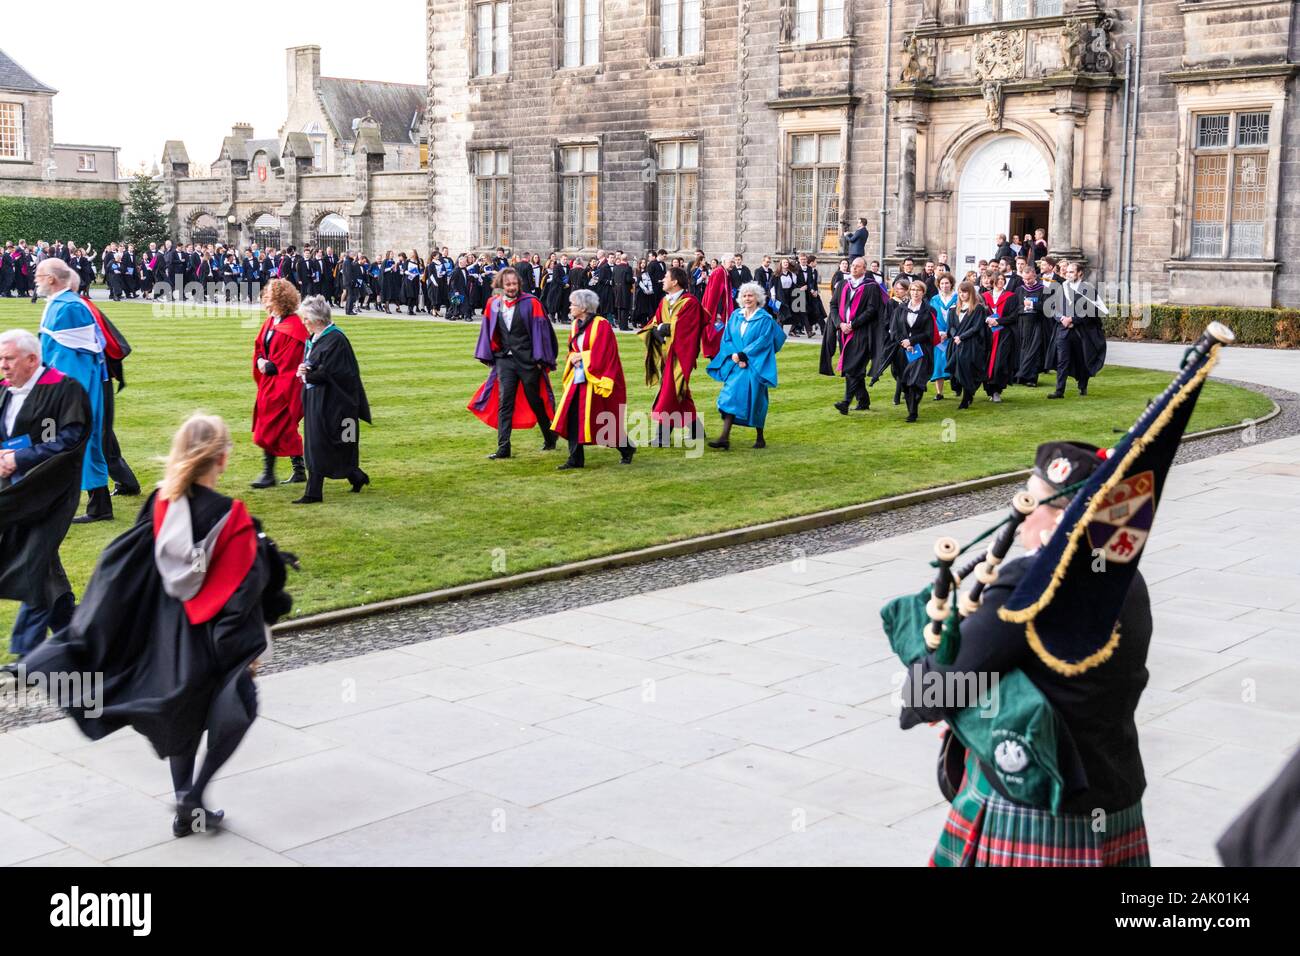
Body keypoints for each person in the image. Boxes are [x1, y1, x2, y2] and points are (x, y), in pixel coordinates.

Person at [17, 414, 295, 839]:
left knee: (183, 714)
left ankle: (188, 803)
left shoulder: (160, 502)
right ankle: (194, 796)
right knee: (242, 704)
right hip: (212, 635)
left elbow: (138, 568)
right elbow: (243, 592)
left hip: (167, 634)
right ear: (221, 458)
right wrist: (244, 651)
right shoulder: (231, 517)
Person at [900, 441, 1153, 867]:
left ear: (1059, 519)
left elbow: (932, 692)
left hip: (1035, 812)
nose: (1016, 520)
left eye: (1028, 502)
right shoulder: (1126, 578)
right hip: (1113, 799)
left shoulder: (1029, 585)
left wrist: (925, 638)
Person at [0, 329, 92, 658]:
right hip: (13, 493)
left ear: (32, 359)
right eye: (1, 360)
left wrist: (19, 458)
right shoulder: (5, 392)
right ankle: (73, 633)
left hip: (49, 492)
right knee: (42, 563)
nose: (3, 367)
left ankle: (28, 653)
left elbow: (66, 441)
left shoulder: (62, 390)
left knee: (33, 561)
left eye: (9, 359)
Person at [35, 259, 113, 524]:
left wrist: (60, 393)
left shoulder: (67, 307)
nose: (35, 278)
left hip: (76, 387)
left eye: (40, 274)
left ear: (53, 279)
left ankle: (96, 505)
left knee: (79, 442)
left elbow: (72, 357)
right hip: (71, 384)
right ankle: (97, 503)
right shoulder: (62, 304)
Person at [469, 267, 559, 459]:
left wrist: (540, 359)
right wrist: (490, 353)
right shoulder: (493, 304)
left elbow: (541, 333)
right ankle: (504, 448)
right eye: (508, 284)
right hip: (505, 360)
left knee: (535, 401)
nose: (511, 288)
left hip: (528, 361)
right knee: (505, 402)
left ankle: (549, 436)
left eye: (514, 284)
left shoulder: (531, 303)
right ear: (501, 285)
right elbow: (488, 329)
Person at [293, 296, 371, 503]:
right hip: (318, 399)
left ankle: (314, 492)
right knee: (319, 443)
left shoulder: (336, 339)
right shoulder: (318, 338)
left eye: (306, 319)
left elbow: (334, 373)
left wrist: (308, 374)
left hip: (337, 403)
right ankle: (357, 477)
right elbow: (316, 363)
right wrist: (305, 368)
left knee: (329, 443)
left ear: (316, 319)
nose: (303, 323)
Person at [549, 289, 634, 470]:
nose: (570, 307)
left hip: (596, 378)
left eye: (573, 304)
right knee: (572, 416)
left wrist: (581, 357)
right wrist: (573, 357)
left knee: (602, 419)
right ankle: (575, 459)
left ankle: (626, 448)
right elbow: (573, 349)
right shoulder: (575, 325)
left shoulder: (601, 325)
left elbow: (604, 353)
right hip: (578, 377)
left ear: (584, 307)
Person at [705, 281, 786, 450]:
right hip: (736, 365)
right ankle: (724, 438)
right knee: (728, 398)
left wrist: (745, 355)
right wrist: (735, 355)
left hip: (755, 366)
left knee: (756, 400)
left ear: (758, 298)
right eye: (744, 295)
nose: (747, 298)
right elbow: (727, 338)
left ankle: (760, 437)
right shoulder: (735, 316)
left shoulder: (764, 318)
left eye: (750, 295)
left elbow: (764, 341)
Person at [250, 279, 309, 488]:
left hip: (283, 385)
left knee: (274, 427)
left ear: (280, 300)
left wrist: (271, 366)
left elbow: (291, 360)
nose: (266, 302)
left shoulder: (295, 326)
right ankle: (298, 470)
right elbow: (259, 346)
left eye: (270, 299)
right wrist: (260, 361)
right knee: (278, 427)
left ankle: (269, 473)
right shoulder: (271, 322)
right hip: (269, 383)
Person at [640, 266, 705, 447]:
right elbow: (656, 322)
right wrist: (656, 329)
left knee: (669, 393)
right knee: (681, 394)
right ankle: (697, 432)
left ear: (675, 282)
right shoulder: (664, 302)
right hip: (666, 354)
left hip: (681, 355)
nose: (662, 280)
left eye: (666, 277)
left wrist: (664, 328)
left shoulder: (689, 302)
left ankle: (662, 437)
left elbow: (686, 329)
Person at [821, 257, 885, 415]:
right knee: (854, 368)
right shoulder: (843, 284)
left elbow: (872, 310)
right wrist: (839, 324)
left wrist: (853, 324)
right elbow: (833, 305)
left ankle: (846, 401)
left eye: (858, 266)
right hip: (843, 333)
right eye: (853, 266)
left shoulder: (871, 287)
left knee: (852, 367)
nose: (854, 268)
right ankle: (863, 400)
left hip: (862, 332)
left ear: (865, 269)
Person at [1047, 261, 1108, 399]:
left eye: (1071, 272)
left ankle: (1082, 386)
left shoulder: (1087, 289)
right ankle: (1059, 390)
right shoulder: (1061, 288)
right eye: (1067, 271)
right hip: (1063, 330)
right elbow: (1054, 308)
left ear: (1080, 273)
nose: (1067, 274)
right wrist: (1062, 318)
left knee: (1082, 359)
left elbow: (1092, 311)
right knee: (1062, 360)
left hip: (1082, 332)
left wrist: (1073, 320)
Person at [883, 278, 936, 422]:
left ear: (923, 292)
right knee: (905, 381)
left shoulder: (929, 311)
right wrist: (904, 343)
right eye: (913, 290)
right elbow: (894, 329)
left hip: (921, 350)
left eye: (918, 290)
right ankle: (911, 409)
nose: (915, 293)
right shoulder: (900, 309)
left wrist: (912, 341)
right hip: (903, 350)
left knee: (916, 381)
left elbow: (929, 333)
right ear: (909, 291)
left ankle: (913, 410)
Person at [947, 280, 990, 411]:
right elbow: (951, 327)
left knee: (967, 370)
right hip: (956, 344)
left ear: (970, 293)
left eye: (965, 292)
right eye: (960, 292)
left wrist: (961, 337)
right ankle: (968, 393)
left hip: (971, 344)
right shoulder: (954, 309)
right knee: (956, 370)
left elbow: (976, 327)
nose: (962, 295)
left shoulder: (978, 309)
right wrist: (956, 336)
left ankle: (966, 398)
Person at [981, 270, 1017, 403]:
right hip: (988, 333)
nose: (1001, 281)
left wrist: (999, 321)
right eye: (999, 279)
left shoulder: (1011, 296)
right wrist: (987, 320)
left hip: (1004, 333)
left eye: (1003, 279)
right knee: (987, 360)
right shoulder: (984, 296)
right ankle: (989, 390)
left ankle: (997, 390)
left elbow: (1014, 316)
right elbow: (978, 313)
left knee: (1000, 361)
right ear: (993, 281)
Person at [1011, 263, 1048, 387]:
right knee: (1022, 349)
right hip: (1022, 323)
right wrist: (1024, 308)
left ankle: (1031, 378)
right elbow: (1015, 307)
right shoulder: (1019, 290)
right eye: (1024, 279)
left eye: (1029, 279)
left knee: (1034, 350)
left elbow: (1047, 307)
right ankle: (1020, 376)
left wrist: (1031, 305)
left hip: (1037, 323)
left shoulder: (1043, 290)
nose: (1027, 282)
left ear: (1035, 277)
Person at [929, 273, 956, 400]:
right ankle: (939, 392)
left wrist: (949, 332)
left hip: (953, 335)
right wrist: (939, 332)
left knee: (954, 361)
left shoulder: (957, 298)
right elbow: (931, 317)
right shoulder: (934, 299)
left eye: (947, 283)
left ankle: (957, 386)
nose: (945, 285)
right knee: (939, 363)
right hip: (938, 337)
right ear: (938, 285)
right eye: (942, 283)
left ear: (951, 284)